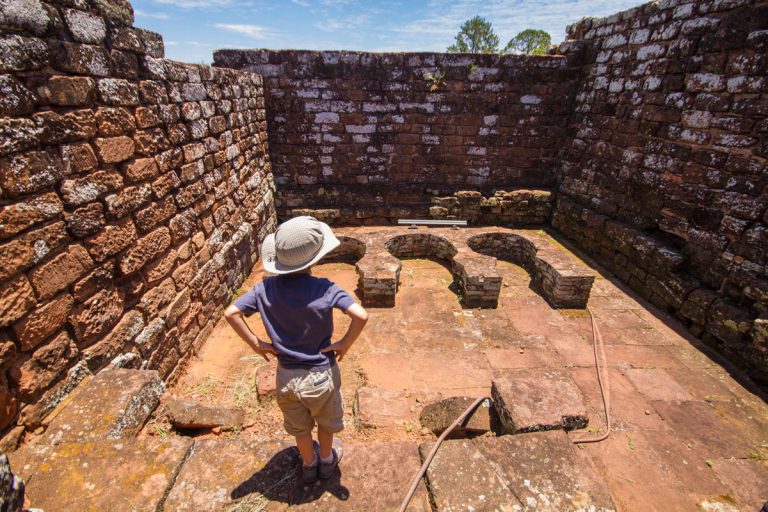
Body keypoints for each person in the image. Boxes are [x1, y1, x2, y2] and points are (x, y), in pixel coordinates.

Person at [224, 216, 368, 484]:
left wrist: (257, 344)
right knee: (326, 423)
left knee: (300, 428)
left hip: (286, 376)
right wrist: (344, 344)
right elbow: (360, 316)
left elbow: (231, 313)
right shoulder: (325, 288)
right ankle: (326, 461)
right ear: (315, 259)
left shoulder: (264, 288)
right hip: (321, 373)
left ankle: (308, 464)